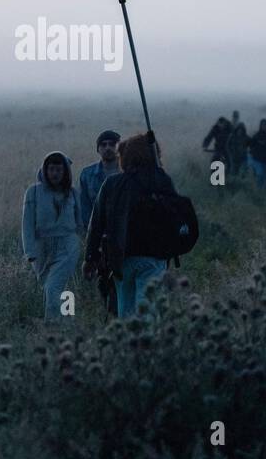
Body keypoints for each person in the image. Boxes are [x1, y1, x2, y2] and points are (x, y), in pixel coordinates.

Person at [84, 133, 175, 318]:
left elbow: (96, 224)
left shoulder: (112, 183)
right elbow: (173, 215)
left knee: (125, 310)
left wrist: (90, 257)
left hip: (121, 258)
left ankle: (128, 345)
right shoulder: (161, 179)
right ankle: (145, 345)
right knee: (147, 310)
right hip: (154, 256)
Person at [21, 151, 84, 322]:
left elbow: (81, 223)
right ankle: (69, 323)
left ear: (65, 172)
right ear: (44, 171)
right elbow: (27, 225)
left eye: (59, 170)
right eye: (51, 169)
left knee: (53, 286)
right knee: (58, 287)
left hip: (68, 244)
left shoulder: (72, 193)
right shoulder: (33, 192)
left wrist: (86, 245)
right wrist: (30, 252)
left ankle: (52, 327)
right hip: (42, 248)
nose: (55, 173)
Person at [78, 130, 122, 315]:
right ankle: (111, 314)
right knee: (103, 279)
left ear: (119, 148)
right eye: (103, 144)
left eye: (112, 144)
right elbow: (85, 208)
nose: (108, 148)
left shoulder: (127, 172)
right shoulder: (88, 175)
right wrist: (89, 238)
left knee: (121, 277)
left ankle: (122, 314)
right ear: (98, 149)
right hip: (99, 235)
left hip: (123, 234)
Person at [248, 119, 266, 188]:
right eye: (262, 125)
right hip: (258, 159)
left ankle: (264, 191)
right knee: (260, 175)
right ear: (260, 126)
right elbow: (251, 145)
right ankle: (259, 190)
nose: (264, 126)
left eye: (265, 125)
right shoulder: (256, 135)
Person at [227, 111, 249, 177]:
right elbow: (228, 143)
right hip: (233, 153)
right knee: (232, 168)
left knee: (242, 169)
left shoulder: (240, 126)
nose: (235, 118)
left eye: (236, 116)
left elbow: (249, 142)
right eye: (234, 116)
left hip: (241, 154)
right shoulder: (230, 125)